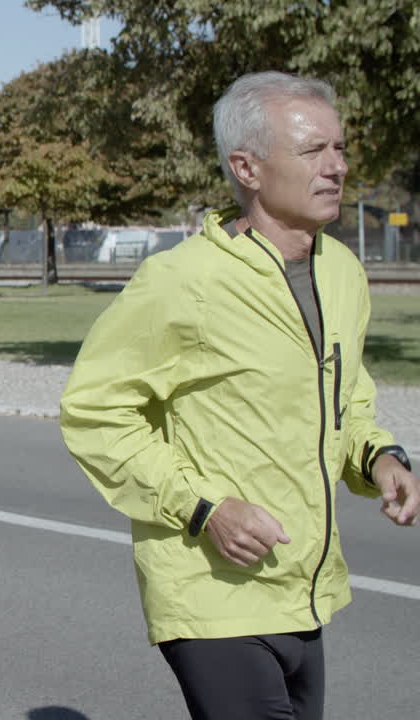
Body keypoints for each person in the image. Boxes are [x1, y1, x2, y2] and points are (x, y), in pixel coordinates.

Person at [60, 71, 419, 720]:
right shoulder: (182, 280)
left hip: (302, 586)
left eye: (340, 148)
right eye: (314, 152)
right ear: (247, 168)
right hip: (210, 592)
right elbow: (94, 413)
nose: (337, 167)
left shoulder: (342, 271)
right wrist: (204, 508)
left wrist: (382, 461)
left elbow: (347, 403)